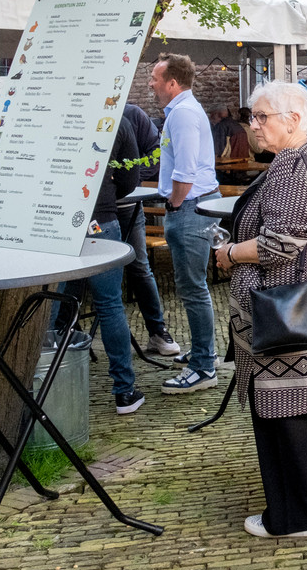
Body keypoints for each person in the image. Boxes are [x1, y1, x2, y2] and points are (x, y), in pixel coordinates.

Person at [213, 81, 307, 539]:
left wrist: (230, 254)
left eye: (261, 117)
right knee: (304, 408)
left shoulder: (291, 166)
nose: (254, 125)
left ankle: (293, 516)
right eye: (253, 116)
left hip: (281, 312)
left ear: (293, 119)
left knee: (280, 409)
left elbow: (280, 243)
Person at [149, 54, 222, 394]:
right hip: (194, 204)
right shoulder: (184, 111)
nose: (151, 83)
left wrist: (175, 203)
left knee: (193, 289)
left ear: (173, 83)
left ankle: (204, 367)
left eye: (155, 78)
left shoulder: (182, 114)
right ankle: (204, 351)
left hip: (191, 206)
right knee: (193, 287)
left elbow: (186, 170)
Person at [65, 122, 145, 415]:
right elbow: (130, 177)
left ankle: (48, 383)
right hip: (99, 216)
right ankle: (124, 392)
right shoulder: (117, 121)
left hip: (55, 219)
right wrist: (108, 189)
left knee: (55, 304)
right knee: (109, 305)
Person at [115, 102, 180, 357]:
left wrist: (127, 178)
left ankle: (157, 331)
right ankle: (64, 334)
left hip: (127, 206)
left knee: (139, 266)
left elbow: (157, 152)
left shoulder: (131, 114)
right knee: (79, 275)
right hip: (90, 209)